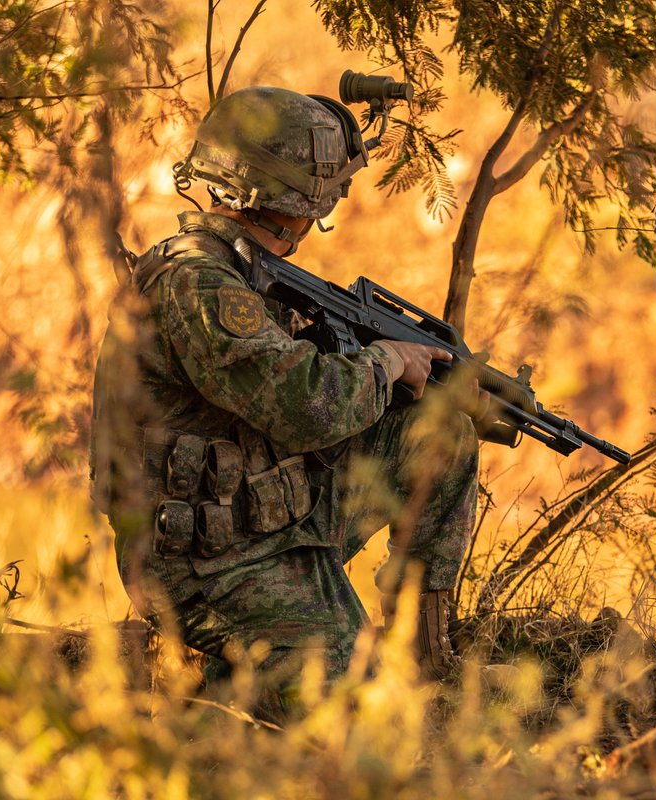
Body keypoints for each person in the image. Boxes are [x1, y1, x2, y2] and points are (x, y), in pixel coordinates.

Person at [89, 86, 486, 717]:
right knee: (359, 708)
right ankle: (221, 680)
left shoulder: (247, 271)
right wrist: (386, 361)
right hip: (204, 565)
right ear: (297, 206)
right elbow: (307, 409)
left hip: (269, 519)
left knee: (438, 431)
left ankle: (422, 652)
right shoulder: (202, 285)